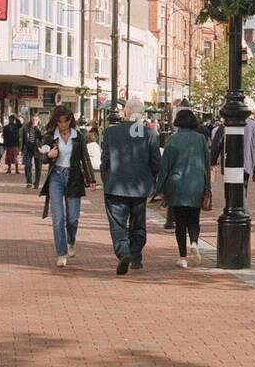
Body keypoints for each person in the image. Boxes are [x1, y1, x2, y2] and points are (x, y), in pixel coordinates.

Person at [101, 95, 162, 273]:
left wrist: (106, 180)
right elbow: (156, 162)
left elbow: (105, 161)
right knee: (138, 223)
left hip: (115, 186)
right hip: (139, 187)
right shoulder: (149, 134)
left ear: (125, 113)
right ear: (141, 114)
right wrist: (152, 182)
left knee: (117, 224)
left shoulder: (111, 132)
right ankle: (135, 255)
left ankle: (123, 250)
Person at [155, 105, 211, 267]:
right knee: (194, 218)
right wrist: (207, 185)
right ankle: (194, 242)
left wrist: (159, 189)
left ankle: (183, 257)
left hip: (176, 184)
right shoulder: (200, 139)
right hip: (196, 183)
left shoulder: (172, 139)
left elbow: (165, 167)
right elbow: (206, 164)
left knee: (180, 222)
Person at [38, 105, 94, 267]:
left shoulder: (78, 136)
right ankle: (61, 253)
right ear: (56, 121)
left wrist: (91, 179)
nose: (63, 125)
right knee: (58, 218)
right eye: (60, 121)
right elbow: (41, 157)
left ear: (71, 120)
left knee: (72, 218)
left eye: (66, 121)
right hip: (56, 177)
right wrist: (49, 155)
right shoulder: (50, 136)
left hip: (74, 177)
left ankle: (71, 241)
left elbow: (85, 158)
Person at [22, 112, 45, 189]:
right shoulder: (26, 126)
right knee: (27, 165)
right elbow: (23, 138)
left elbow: (42, 137)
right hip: (28, 147)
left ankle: (37, 183)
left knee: (38, 166)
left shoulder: (41, 127)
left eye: (36, 119)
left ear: (38, 120)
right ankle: (29, 182)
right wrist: (22, 149)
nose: (34, 121)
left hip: (38, 148)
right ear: (31, 119)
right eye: (33, 119)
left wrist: (36, 128)